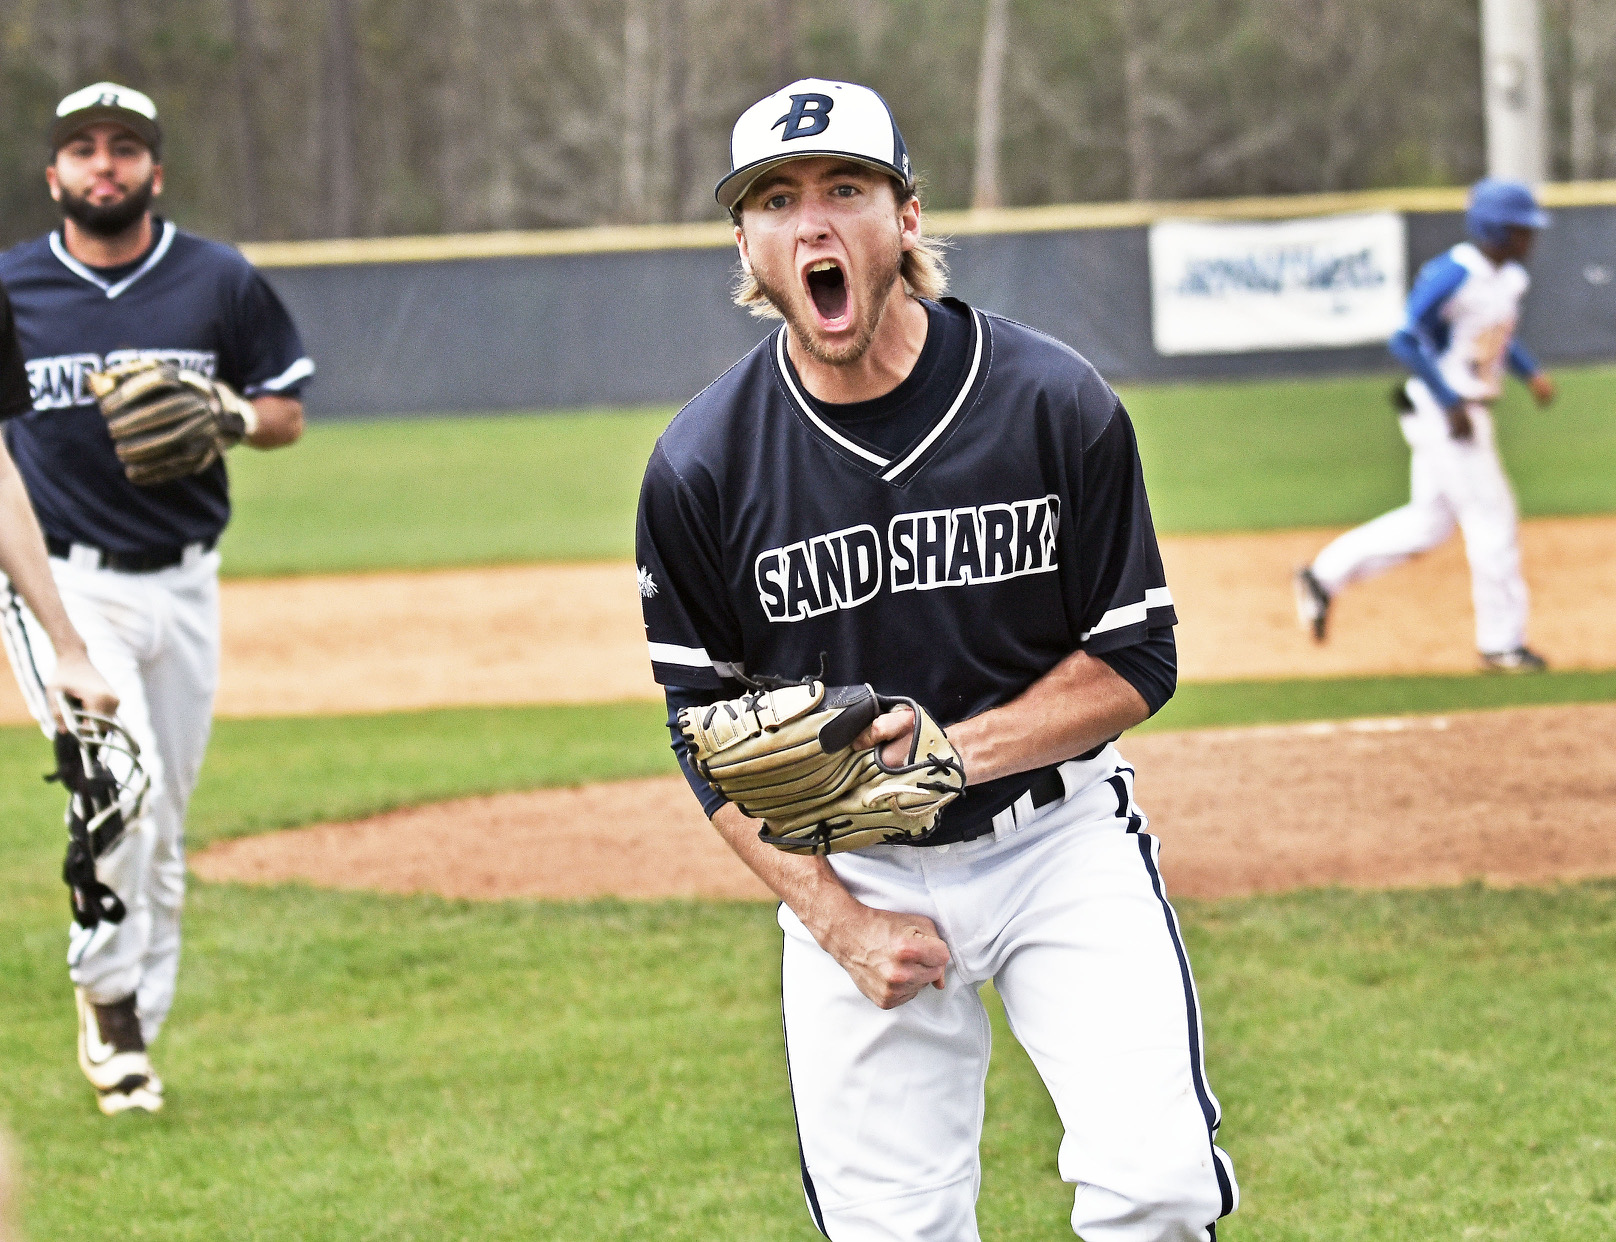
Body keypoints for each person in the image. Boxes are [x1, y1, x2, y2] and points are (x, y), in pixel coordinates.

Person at [636, 79, 1235, 1240]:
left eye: (843, 190)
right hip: (854, 873)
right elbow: (700, 732)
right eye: (775, 202)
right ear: (745, 247)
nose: (811, 223)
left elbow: (1135, 658)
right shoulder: (700, 467)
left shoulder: (1049, 402)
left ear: (905, 217)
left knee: (1157, 1187)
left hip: (1057, 843)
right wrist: (839, 925)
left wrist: (952, 752)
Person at [0, 82, 312, 1115]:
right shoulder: (12, 287)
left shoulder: (217, 279)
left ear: (155, 171)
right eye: (83, 149)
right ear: (53, 175)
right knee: (117, 790)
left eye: (124, 148)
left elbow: (284, 410)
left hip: (183, 579)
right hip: (63, 579)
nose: (104, 164)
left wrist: (228, 411)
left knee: (164, 823)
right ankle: (108, 1007)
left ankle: (138, 1015)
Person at [1294, 178, 1556, 671]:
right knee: (1492, 520)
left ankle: (1322, 576)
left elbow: (1493, 337)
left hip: (1464, 409)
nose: (1531, 237)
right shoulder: (1455, 272)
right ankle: (1501, 643)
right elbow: (1405, 338)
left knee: (1429, 523)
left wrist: (1530, 373)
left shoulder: (1509, 279)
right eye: (1522, 229)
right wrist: (1448, 399)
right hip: (1448, 414)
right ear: (1495, 229)